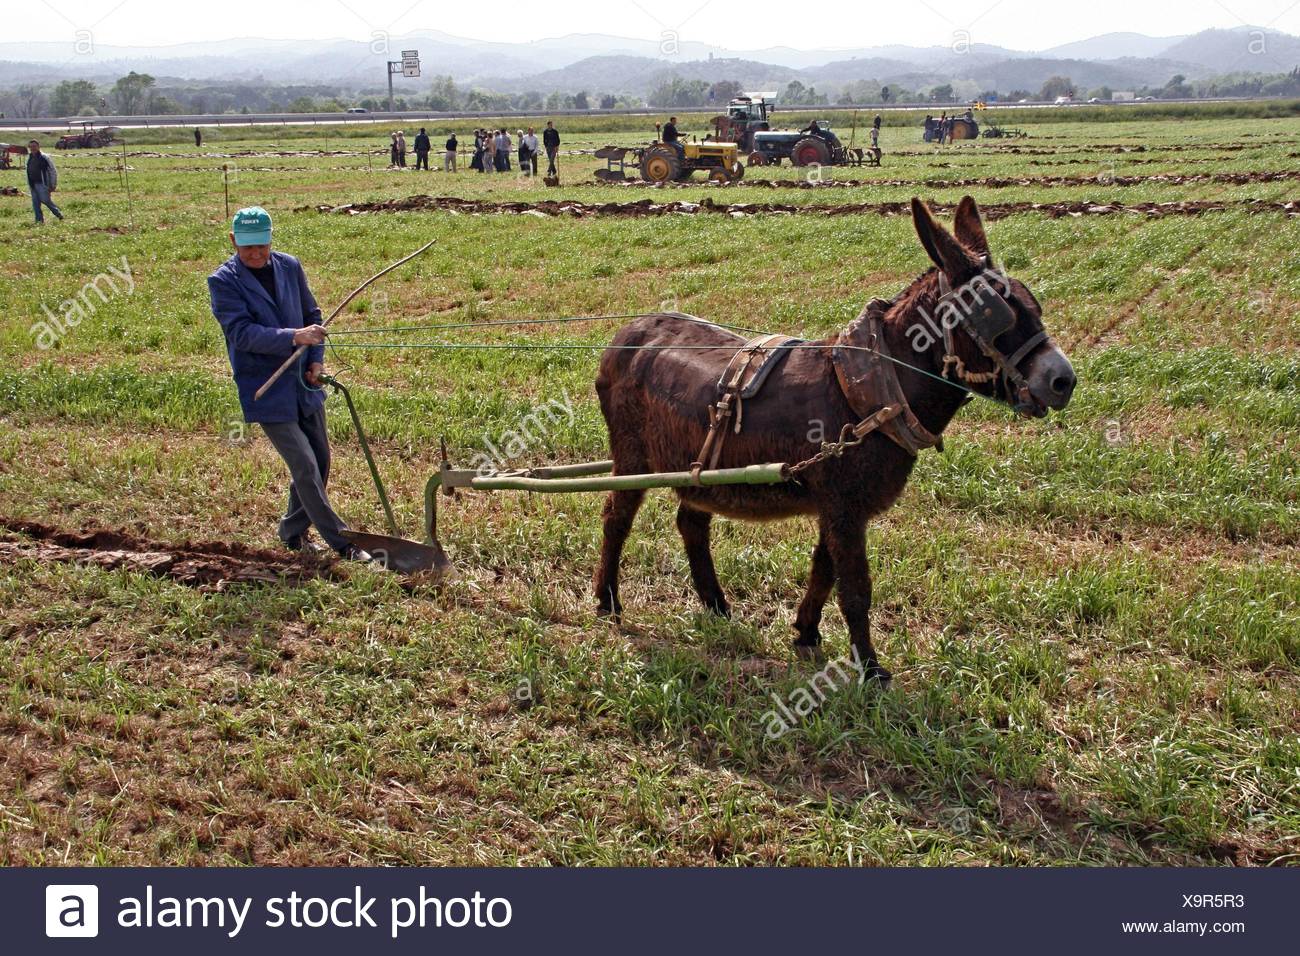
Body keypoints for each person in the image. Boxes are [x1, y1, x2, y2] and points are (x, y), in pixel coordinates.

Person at [207, 206, 371, 563]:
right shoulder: (223, 281)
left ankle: (291, 531)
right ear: (233, 241)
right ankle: (342, 542)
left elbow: (313, 317)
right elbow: (241, 334)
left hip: (303, 384)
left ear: (271, 239)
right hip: (266, 386)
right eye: (247, 247)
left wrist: (316, 360)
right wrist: (295, 337)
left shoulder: (289, 266)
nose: (256, 253)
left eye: (262, 245)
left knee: (321, 461)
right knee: (305, 466)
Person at [25, 139, 62, 225]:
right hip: (33, 184)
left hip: (43, 184)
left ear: (38, 147)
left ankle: (59, 214)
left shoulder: (44, 157)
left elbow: (52, 171)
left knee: (46, 200)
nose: (32, 148)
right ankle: (39, 221)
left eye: (34, 146)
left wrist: (53, 184)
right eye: (31, 147)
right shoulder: (29, 158)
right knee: (35, 204)